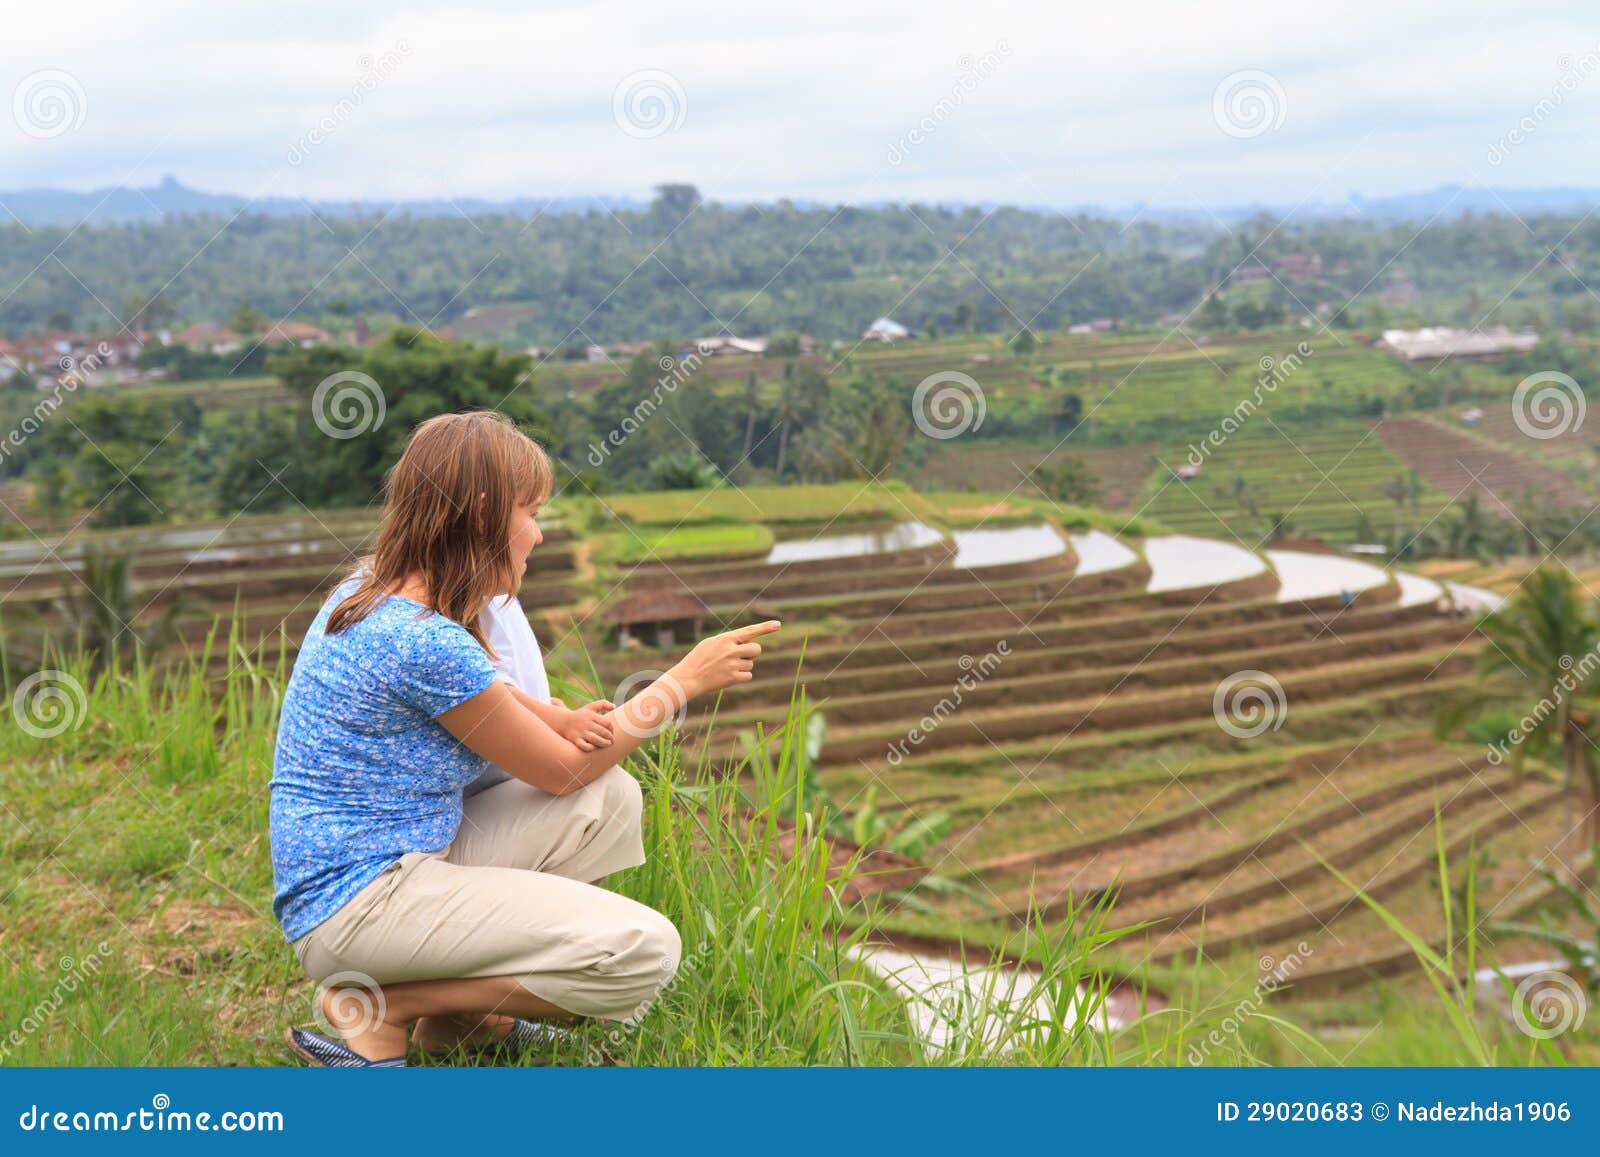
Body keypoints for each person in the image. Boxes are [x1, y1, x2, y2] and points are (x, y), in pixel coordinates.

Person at [269, 411, 779, 1067]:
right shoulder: (422, 641)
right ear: (482, 515)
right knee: (642, 950)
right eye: (529, 511)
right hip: (359, 904)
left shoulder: (375, 592)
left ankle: (463, 1021)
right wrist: (682, 680)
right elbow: (560, 770)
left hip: (379, 868)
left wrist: (552, 713)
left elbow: (487, 699)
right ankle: (384, 1005)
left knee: (609, 797)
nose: (537, 534)